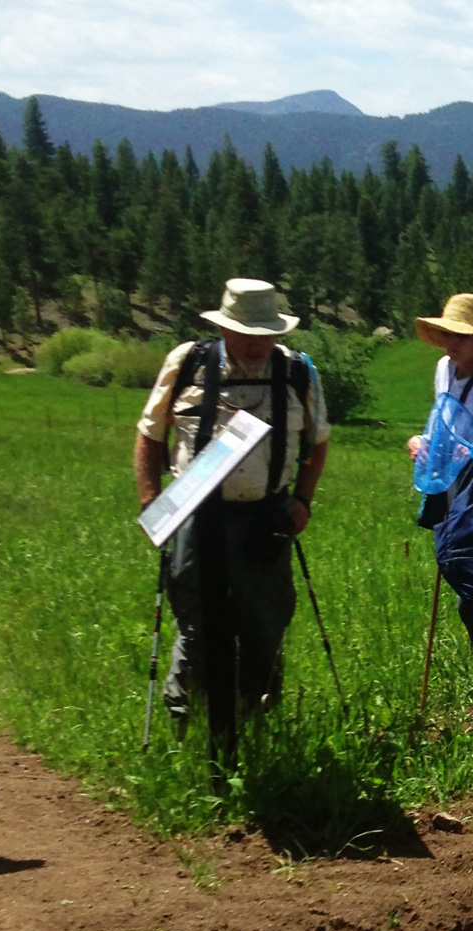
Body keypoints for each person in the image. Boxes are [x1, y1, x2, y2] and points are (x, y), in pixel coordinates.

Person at [134, 278, 330, 765]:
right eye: (246, 333)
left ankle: (257, 711)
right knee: (197, 624)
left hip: (267, 516)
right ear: (225, 328)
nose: (256, 343)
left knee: (265, 622)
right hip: (194, 513)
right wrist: (150, 499)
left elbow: (318, 442)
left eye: (265, 334)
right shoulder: (188, 363)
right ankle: (185, 718)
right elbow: (149, 435)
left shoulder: (298, 371)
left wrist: (303, 500)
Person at [407, 293, 473, 733]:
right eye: (446, 334)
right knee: (469, 593)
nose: (450, 344)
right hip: (450, 494)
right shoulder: (443, 371)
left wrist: (469, 452)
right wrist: (421, 443)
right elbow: (440, 424)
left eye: (459, 337)